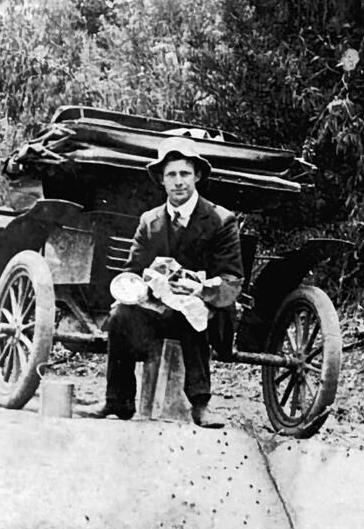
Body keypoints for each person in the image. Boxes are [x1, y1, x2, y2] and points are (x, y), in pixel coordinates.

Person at [75, 136, 243, 428]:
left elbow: (232, 278)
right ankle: (118, 401)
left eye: (185, 174)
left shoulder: (221, 220)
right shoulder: (150, 221)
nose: (179, 182)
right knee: (119, 316)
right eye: (171, 175)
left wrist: (200, 289)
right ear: (162, 181)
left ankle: (200, 404)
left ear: (198, 176)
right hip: (159, 311)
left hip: (206, 313)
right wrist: (146, 286)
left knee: (193, 313)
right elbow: (133, 271)